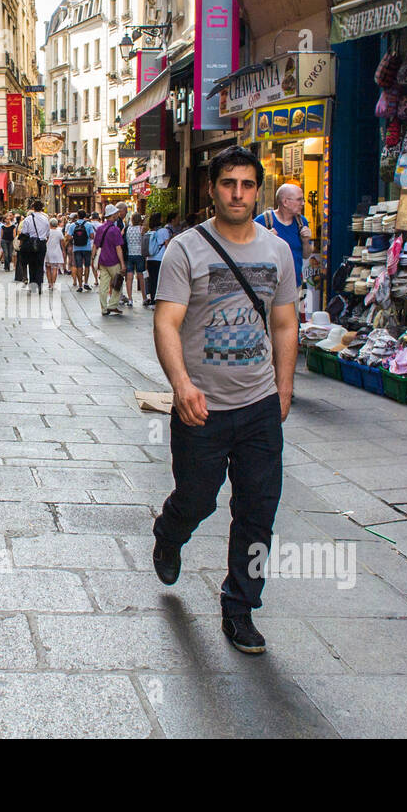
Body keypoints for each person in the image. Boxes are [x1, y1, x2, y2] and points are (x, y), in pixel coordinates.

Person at [150, 145, 298, 655]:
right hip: (201, 406)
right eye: (228, 183)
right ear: (212, 188)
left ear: (259, 189)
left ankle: (240, 608)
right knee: (197, 498)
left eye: (248, 184)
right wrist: (181, 385)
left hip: (258, 405)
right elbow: (166, 322)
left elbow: (284, 322)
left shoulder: (278, 251)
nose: (238, 193)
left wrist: (284, 387)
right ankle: (170, 531)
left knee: (259, 510)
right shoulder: (185, 250)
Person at [255, 183, 311, 297]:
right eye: (299, 200)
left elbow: (306, 255)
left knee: (292, 315)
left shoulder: (302, 222)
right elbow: (248, 252)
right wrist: (265, 241)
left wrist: (305, 241)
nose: (303, 203)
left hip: (294, 286)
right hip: (267, 287)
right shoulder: (263, 221)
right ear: (285, 202)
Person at [93, 204, 127, 316]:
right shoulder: (115, 230)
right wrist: (122, 264)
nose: (118, 215)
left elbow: (95, 245)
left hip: (102, 261)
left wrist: (93, 259)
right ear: (113, 215)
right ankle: (112, 305)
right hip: (113, 261)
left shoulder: (100, 229)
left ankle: (103, 308)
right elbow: (119, 249)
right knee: (118, 284)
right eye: (116, 213)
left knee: (103, 286)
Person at [17, 200, 50, 295]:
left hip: (30, 243)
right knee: (40, 265)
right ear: (42, 208)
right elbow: (48, 234)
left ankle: (33, 286)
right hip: (42, 243)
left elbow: (24, 233)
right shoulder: (45, 219)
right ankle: (39, 285)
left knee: (31, 265)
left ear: (33, 208)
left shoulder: (28, 219)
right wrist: (43, 242)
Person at [124, 212, 147, 307]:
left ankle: (130, 299)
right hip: (140, 254)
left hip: (129, 254)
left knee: (129, 277)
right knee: (141, 276)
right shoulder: (142, 229)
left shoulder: (127, 229)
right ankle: (144, 298)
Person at [146, 212, 169, 306]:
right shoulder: (164, 231)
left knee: (152, 280)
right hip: (160, 259)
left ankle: (152, 300)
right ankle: (158, 299)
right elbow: (167, 244)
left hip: (150, 259)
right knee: (160, 280)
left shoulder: (150, 232)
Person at [68, 210, 94, 291]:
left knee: (79, 266)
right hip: (87, 248)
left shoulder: (72, 225)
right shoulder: (89, 224)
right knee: (87, 266)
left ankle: (80, 285)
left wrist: (74, 239)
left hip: (77, 248)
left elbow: (68, 237)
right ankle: (86, 283)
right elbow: (92, 236)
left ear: (78, 216)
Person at [45, 217, 65, 290]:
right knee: (55, 268)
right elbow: (62, 242)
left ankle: (49, 284)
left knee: (48, 268)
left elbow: (45, 241)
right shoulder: (59, 232)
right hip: (56, 252)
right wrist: (63, 250)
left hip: (48, 251)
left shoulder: (47, 232)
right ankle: (53, 284)